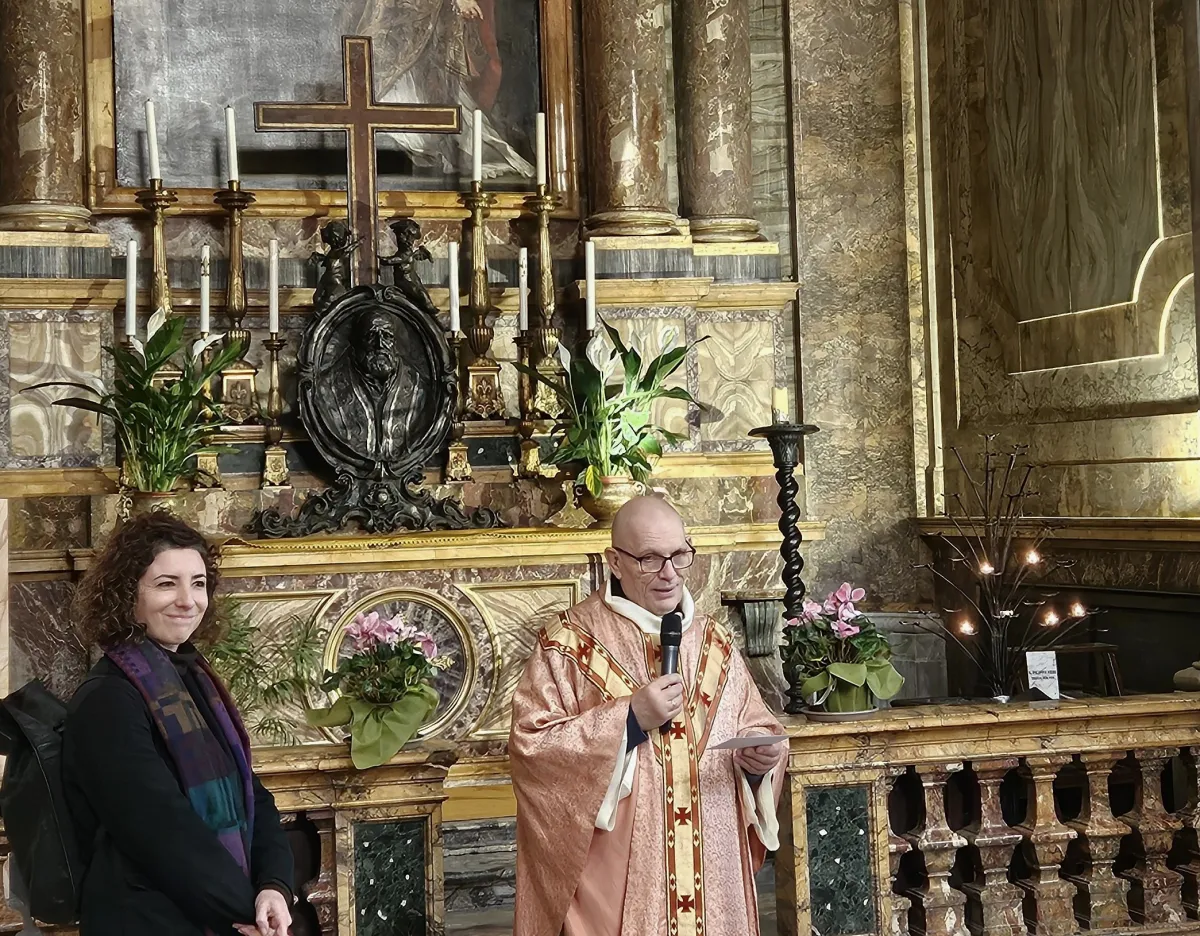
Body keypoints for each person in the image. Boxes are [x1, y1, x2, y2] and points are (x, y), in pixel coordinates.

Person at [509, 496, 787, 936]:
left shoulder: (714, 640)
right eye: (649, 559)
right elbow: (532, 746)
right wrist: (629, 718)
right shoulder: (569, 641)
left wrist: (761, 760)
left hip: (714, 872)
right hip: (614, 880)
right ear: (615, 562)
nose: (670, 573)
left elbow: (756, 724)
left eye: (679, 555)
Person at [62, 512, 294, 936]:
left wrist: (274, 889)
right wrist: (248, 913)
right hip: (147, 921)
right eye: (167, 583)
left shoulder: (194, 679)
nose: (188, 600)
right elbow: (162, 835)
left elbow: (252, 797)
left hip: (218, 912)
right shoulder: (108, 700)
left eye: (199, 582)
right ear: (126, 594)